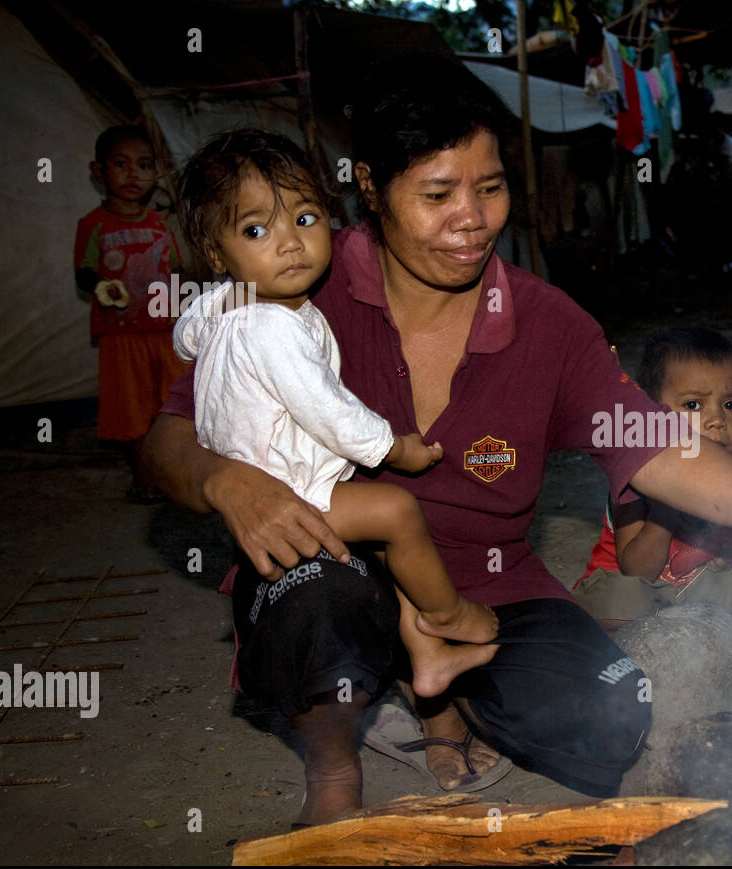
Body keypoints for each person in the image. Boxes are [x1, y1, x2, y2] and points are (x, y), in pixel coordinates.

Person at [140, 57, 732, 827]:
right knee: (317, 596)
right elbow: (169, 437)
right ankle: (335, 760)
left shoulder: (545, 322)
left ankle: (446, 689)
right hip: (335, 562)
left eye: (490, 188)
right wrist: (224, 484)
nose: (472, 220)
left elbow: (657, 446)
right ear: (372, 190)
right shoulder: (293, 288)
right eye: (438, 194)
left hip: (489, 586)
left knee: (606, 721)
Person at [172, 128, 499, 702]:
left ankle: (427, 658)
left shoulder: (225, 306)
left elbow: (186, 338)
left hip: (271, 473)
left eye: (304, 219)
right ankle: (451, 616)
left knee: (378, 548)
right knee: (397, 512)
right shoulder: (270, 326)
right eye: (256, 230)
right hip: (288, 487)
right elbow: (328, 409)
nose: (290, 244)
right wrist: (395, 448)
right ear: (218, 254)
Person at [573, 328, 732, 631]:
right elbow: (637, 569)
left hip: (691, 595)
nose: (717, 420)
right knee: (621, 595)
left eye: (731, 405)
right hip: (636, 590)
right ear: (650, 412)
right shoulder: (636, 478)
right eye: (692, 405)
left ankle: (698, 639)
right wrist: (667, 504)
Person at [73, 125, 186, 502]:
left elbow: (177, 271)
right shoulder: (93, 225)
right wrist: (100, 285)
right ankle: (144, 478)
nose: (133, 174)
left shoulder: (160, 224)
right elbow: (85, 271)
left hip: (165, 331)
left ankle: (177, 472)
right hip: (121, 335)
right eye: (121, 164)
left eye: (143, 165)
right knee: (131, 408)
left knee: (173, 402)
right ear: (98, 171)